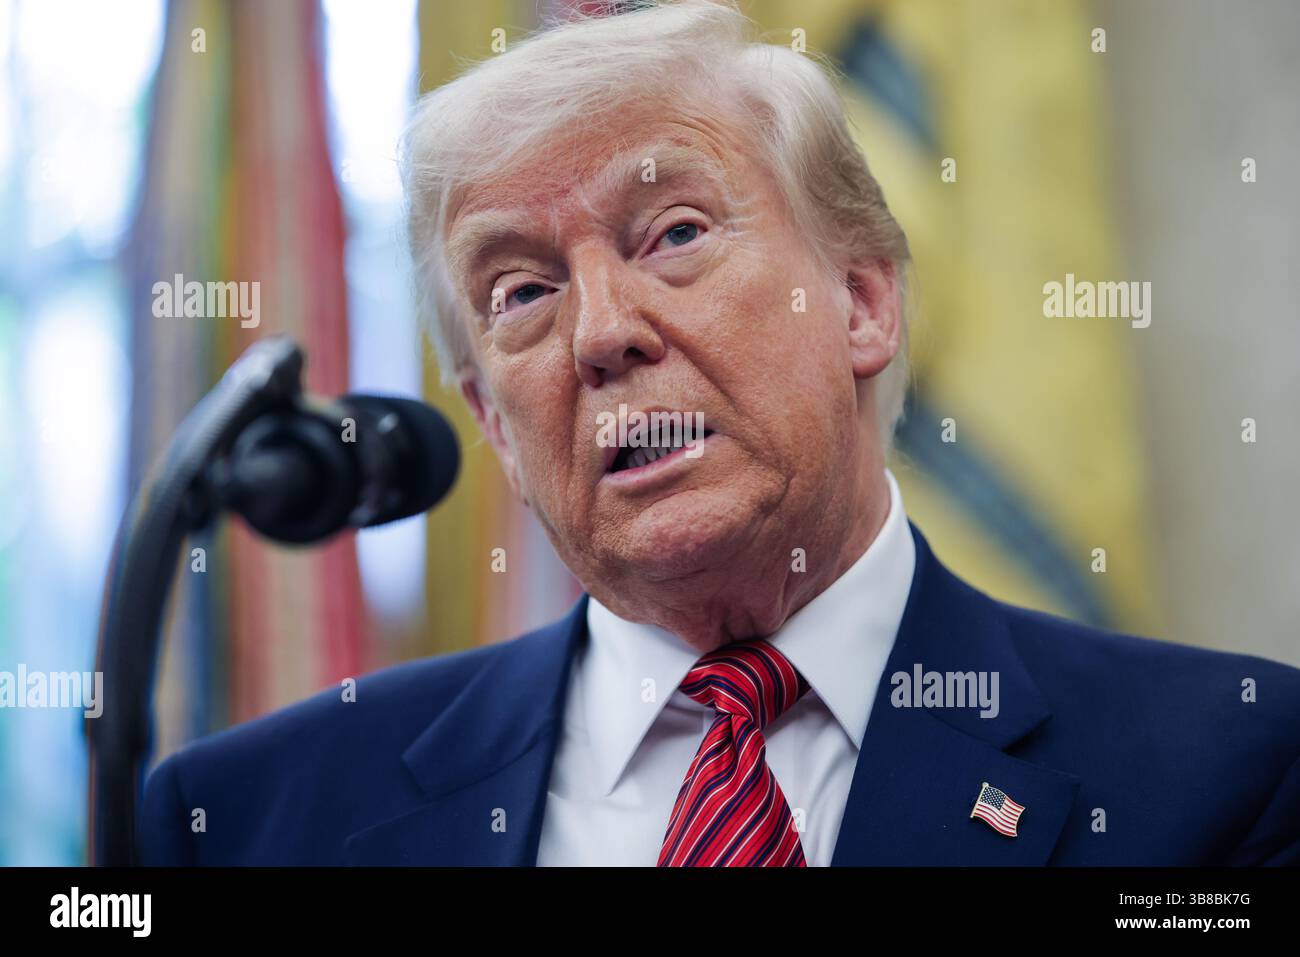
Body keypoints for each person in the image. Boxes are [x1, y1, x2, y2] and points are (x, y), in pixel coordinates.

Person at [139, 0, 1300, 866]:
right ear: (491, 420)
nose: (601, 332)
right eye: (521, 293)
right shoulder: (248, 822)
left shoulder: (1227, 771)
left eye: (675, 232)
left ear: (861, 300)